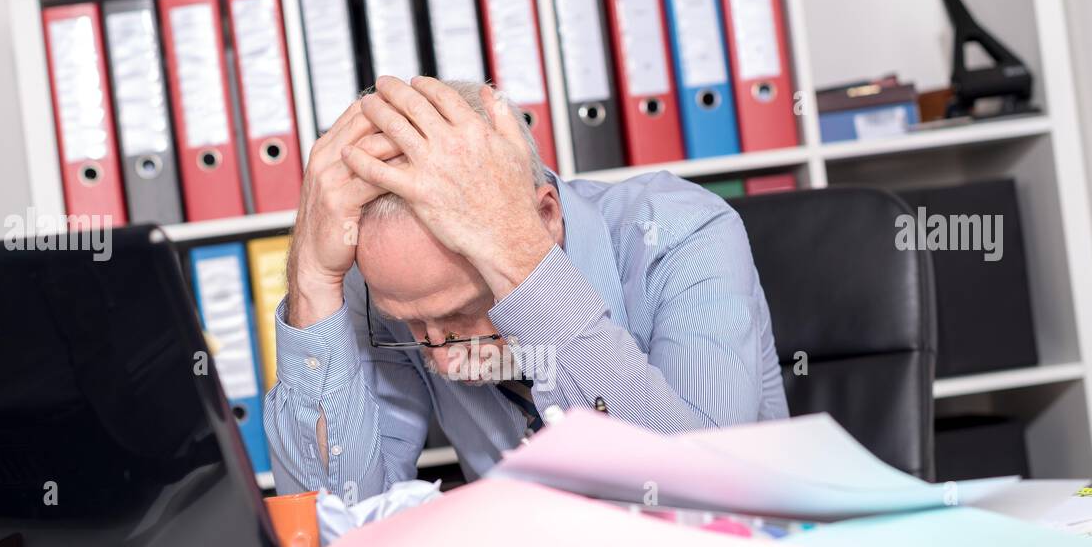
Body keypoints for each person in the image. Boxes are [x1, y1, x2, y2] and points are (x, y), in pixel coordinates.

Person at [266, 76, 788, 499]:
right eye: (415, 325)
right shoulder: (397, 286)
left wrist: (521, 256)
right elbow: (336, 527)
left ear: (547, 217)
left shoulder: (681, 232)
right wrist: (312, 281)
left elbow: (698, 494)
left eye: (465, 312)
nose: (446, 362)